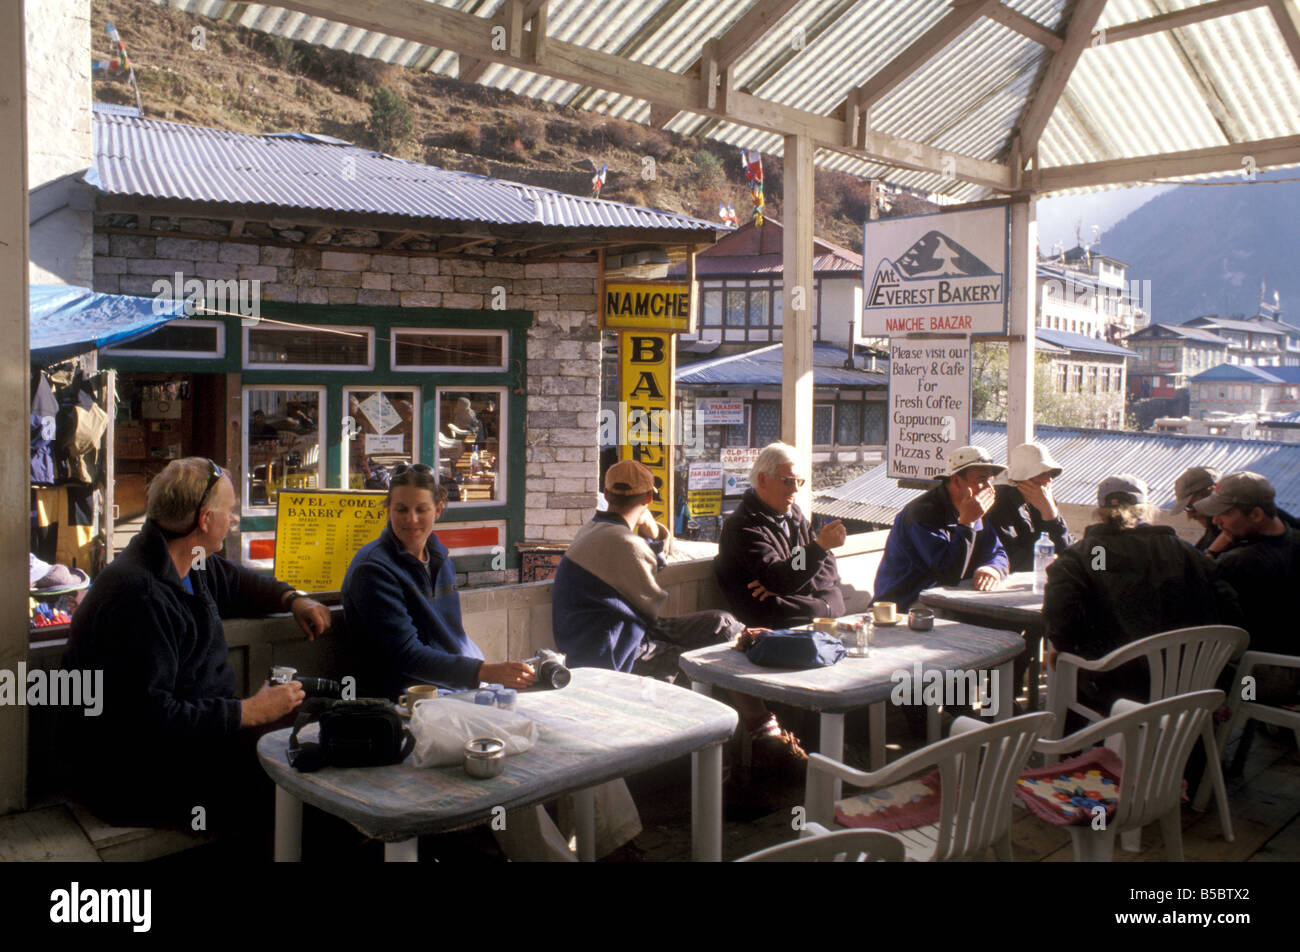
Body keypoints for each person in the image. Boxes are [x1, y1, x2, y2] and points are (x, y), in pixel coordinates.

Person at [61, 457, 332, 838]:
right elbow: (151, 718)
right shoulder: (140, 597)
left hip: (194, 746)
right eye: (231, 511)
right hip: (137, 776)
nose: (234, 519)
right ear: (205, 520)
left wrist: (292, 598)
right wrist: (248, 712)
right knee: (304, 792)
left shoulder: (188, 559)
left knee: (314, 739)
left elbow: (239, 583)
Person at [554, 458, 808, 765]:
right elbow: (651, 597)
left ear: (606, 494)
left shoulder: (595, 529)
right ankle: (752, 747)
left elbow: (645, 587)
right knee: (707, 666)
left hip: (621, 634)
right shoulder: (622, 541)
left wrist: (651, 535)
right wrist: (655, 534)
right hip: (614, 655)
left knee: (722, 623)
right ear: (649, 498)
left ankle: (761, 729)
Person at [1042, 473, 1240, 717]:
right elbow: (1229, 607)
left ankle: (1069, 752)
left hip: (1117, 689)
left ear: (1100, 511)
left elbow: (1062, 618)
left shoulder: (1086, 555)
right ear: (1146, 509)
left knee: (1068, 669)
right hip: (1188, 687)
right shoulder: (1186, 553)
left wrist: (1060, 647)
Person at [341, 463, 533, 698]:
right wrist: (485, 672)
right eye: (401, 509)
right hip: (407, 698)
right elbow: (405, 656)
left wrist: (490, 673)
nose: (411, 520)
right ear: (388, 509)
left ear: (438, 510)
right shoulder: (372, 569)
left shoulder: (440, 558)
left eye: (421, 509)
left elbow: (452, 637)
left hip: (459, 687)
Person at [1193, 472, 1300, 702]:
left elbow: (1194, 586)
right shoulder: (1295, 539)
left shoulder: (1238, 562)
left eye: (1225, 513)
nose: (1215, 521)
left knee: (1183, 669)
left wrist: (1211, 552)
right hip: (1292, 668)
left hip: (1258, 681)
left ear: (1256, 514)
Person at [714, 442, 846, 627]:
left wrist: (790, 585)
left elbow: (826, 570)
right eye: (788, 481)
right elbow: (780, 578)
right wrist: (819, 548)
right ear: (762, 480)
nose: (795, 489)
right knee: (825, 604)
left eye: (798, 481)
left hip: (799, 616)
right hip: (769, 627)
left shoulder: (794, 518)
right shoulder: (743, 526)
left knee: (833, 597)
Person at [873, 445, 1009, 611]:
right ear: (956, 481)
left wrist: (992, 568)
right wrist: (966, 524)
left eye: (991, 480)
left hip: (947, 595)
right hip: (905, 601)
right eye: (981, 480)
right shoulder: (923, 514)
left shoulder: (973, 508)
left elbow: (998, 552)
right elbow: (948, 574)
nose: (988, 488)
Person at [986, 441, 1072, 572]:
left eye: (1050, 473)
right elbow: (1012, 558)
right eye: (1042, 474)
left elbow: (1066, 547)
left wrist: (1051, 516)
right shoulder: (999, 503)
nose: (1048, 480)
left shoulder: (1044, 501)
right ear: (1023, 478)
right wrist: (1050, 560)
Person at [1166, 465, 1220, 552]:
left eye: (1192, 507)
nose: (1189, 516)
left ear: (1212, 493)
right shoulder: (1212, 534)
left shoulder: (1235, 536)